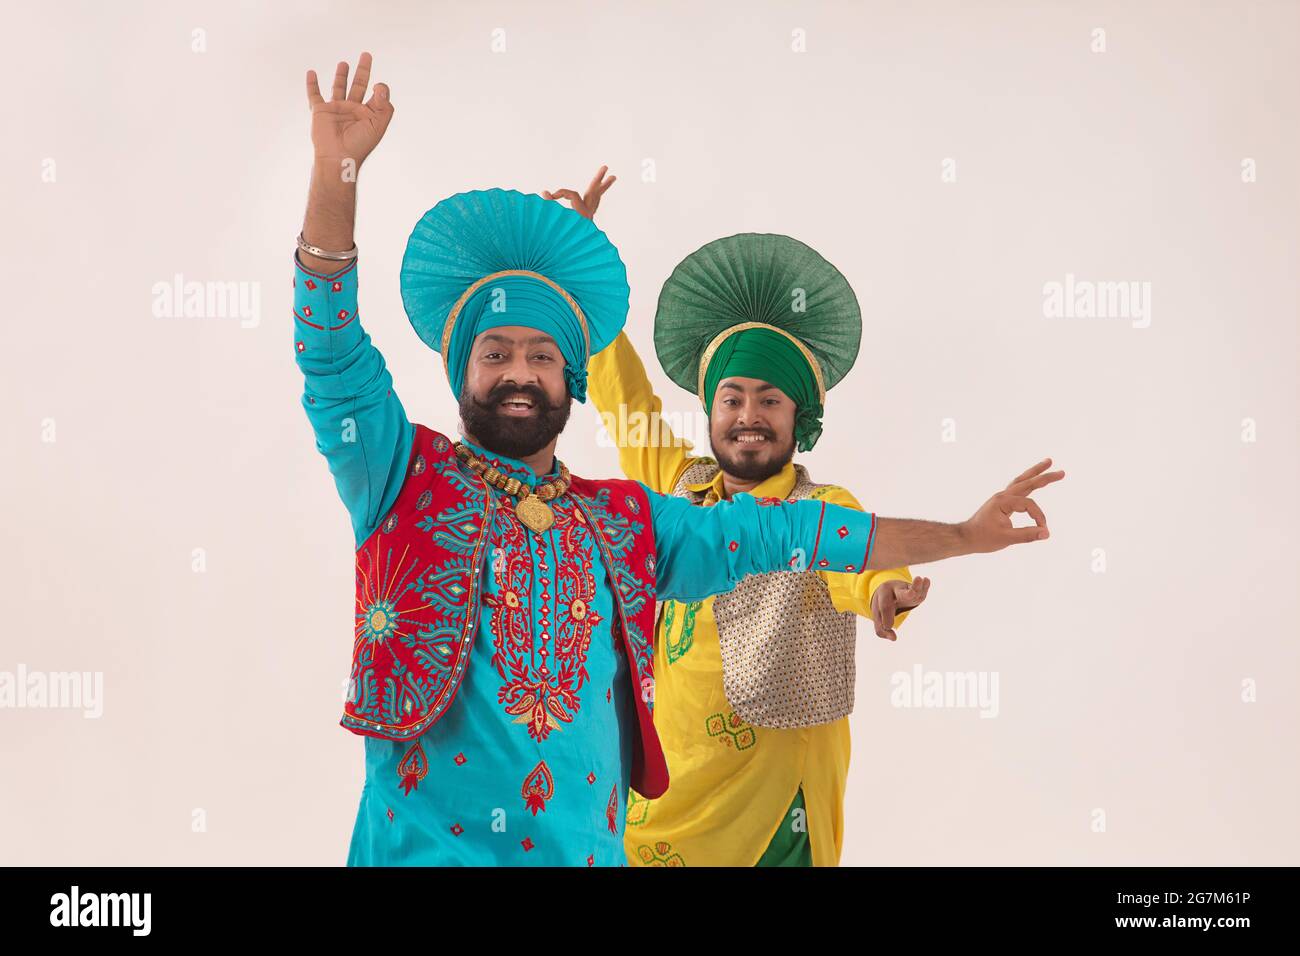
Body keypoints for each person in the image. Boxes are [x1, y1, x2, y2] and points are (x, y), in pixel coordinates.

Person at [293, 53, 1064, 866]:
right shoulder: (400, 477)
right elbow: (331, 353)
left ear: (569, 380)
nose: (519, 373)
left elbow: (800, 536)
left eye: (542, 356)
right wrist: (334, 174)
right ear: (464, 371)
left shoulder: (624, 520)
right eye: (495, 353)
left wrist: (961, 538)